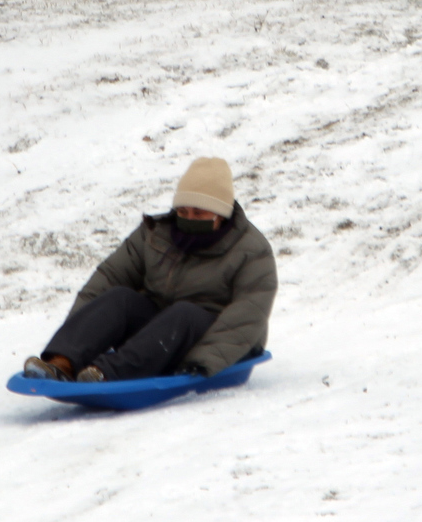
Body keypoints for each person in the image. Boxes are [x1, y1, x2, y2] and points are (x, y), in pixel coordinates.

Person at [22, 157, 277, 383]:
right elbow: (107, 280)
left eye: (199, 213)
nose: (188, 219)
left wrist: (198, 363)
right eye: (183, 211)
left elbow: (248, 316)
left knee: (184, 313)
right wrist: (80, 341)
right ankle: (61, 365)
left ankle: (107, 374)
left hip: (211, 339)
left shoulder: (251, 250)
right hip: (155, 340)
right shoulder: (155, 234)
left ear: (221, 214)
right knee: (120, 297)